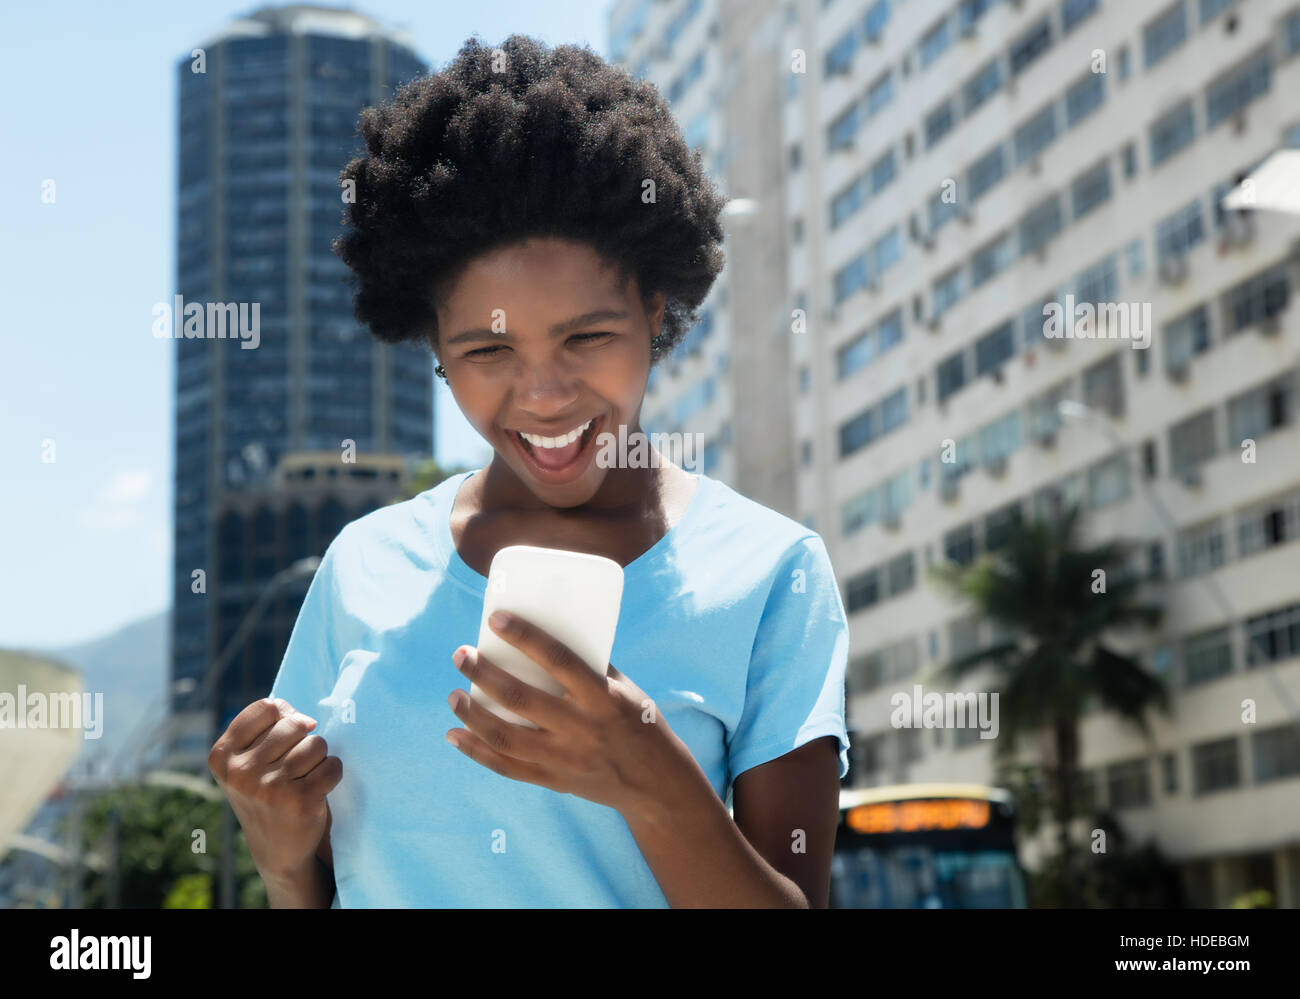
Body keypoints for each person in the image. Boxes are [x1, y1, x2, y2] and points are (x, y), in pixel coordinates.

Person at [208, 33, 850, 909]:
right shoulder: (360, 563)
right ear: (435, 348)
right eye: (488, 347)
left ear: (654, 313)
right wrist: (283, 861)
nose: (544, 394)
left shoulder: (773, 571)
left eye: (586, 336)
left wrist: (650, 776)